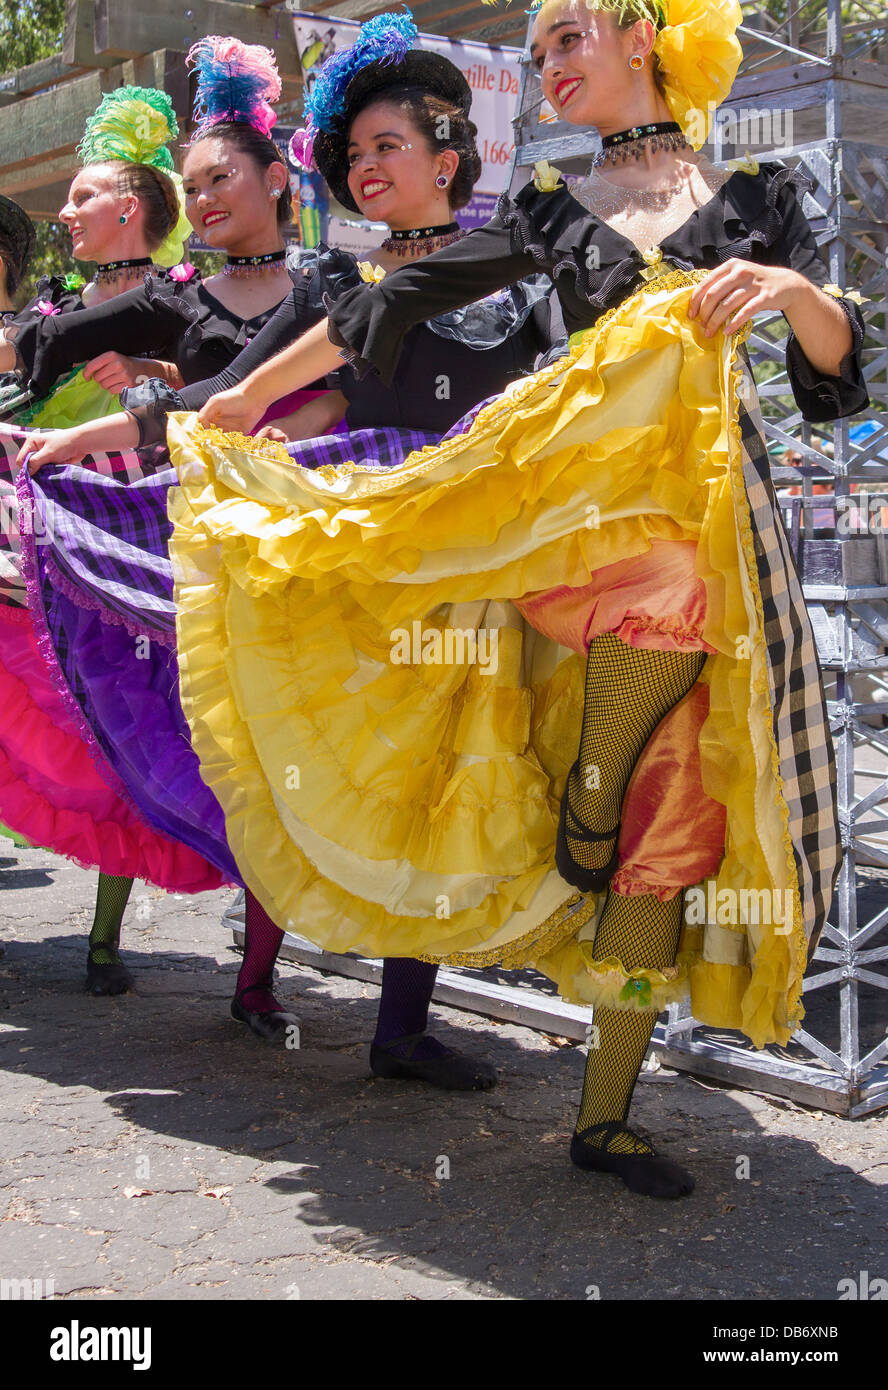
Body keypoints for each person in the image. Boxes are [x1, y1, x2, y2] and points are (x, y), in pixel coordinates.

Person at [132, 0, 865, 1197]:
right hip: (575, 536)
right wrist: (235, 400)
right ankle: (584, 782)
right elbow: (383, 304)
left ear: (648, 35)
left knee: (666, 843)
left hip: (721, 526)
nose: (546, 69)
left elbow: (836, 378)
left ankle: (607, 1114)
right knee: (654, 608)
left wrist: (785, 289)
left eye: (567, 39)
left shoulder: (762, 195)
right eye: (536, 54)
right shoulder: (546, 215)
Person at [12, 17, 559, 1078]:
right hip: (360, 559)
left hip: (488, 552)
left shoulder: (524, 272)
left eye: (387, 147)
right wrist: (82, 436)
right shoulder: (335, 292)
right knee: (353, 763)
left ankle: (405, 1023)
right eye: (352, 154)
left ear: (448, 161)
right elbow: (223, 402)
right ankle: (274, 976)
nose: (365, 168)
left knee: (457, 776)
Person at [0, 41, 339, 998]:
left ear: (276, 178)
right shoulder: (175, 297)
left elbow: (319, 398)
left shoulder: (330, 290)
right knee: (159, 724)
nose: (204, 200)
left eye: (219, 178)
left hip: (309, 537)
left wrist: (171, 393)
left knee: (295, 749)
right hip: (180, 542)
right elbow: (50, 341)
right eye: (193, 185)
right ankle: (168, 949)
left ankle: (263, 978)